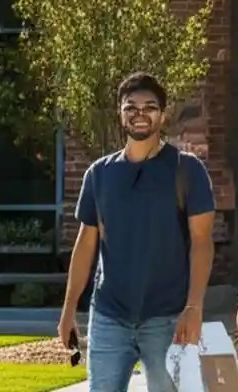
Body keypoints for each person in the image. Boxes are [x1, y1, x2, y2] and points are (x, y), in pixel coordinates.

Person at [57, 72, 216, 392]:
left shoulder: (186, 170)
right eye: (131, 107)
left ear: (163, 114)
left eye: (150, 107)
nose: (140, 113)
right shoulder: (99, 174)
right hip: (108, 316)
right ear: (120, 112)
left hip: (168, 318)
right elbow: (86, 245)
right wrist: (69, 309)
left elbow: (202, 242)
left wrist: (193, 307)